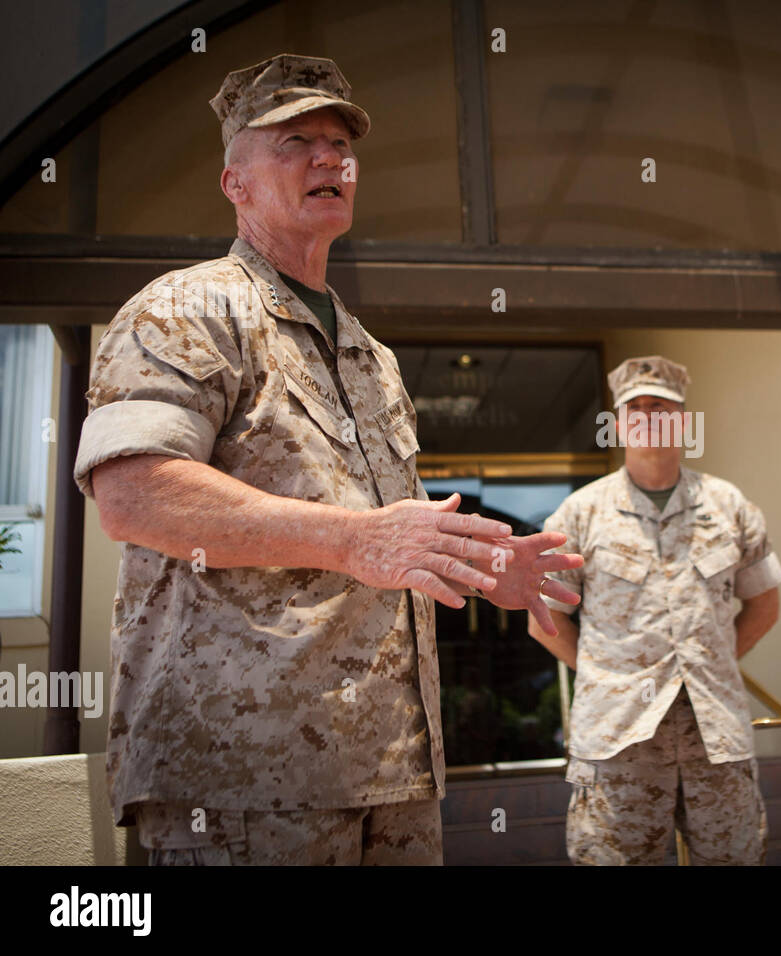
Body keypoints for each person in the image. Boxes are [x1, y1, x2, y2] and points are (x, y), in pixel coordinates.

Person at [72, 54, 581, 865]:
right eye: (296, 139)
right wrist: (357, 541)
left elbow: (390, 532)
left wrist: (483, 566)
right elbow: (134, 495)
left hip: (390, 769)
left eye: (341, 142)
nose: (329, 157)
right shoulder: (187, 309)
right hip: (243, 776)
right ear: (234, 180)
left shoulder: (368, 351)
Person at [529, 356, 781, 865]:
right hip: (617, 739)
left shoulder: (728, 505)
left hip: (715, 737)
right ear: (619, 423)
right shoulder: (581, 512)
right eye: (635, 407)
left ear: (683, 420)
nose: (648, 416)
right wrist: (605, 673)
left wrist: (711, 662)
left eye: (661, 406)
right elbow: (543, 617)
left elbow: (764, 604)